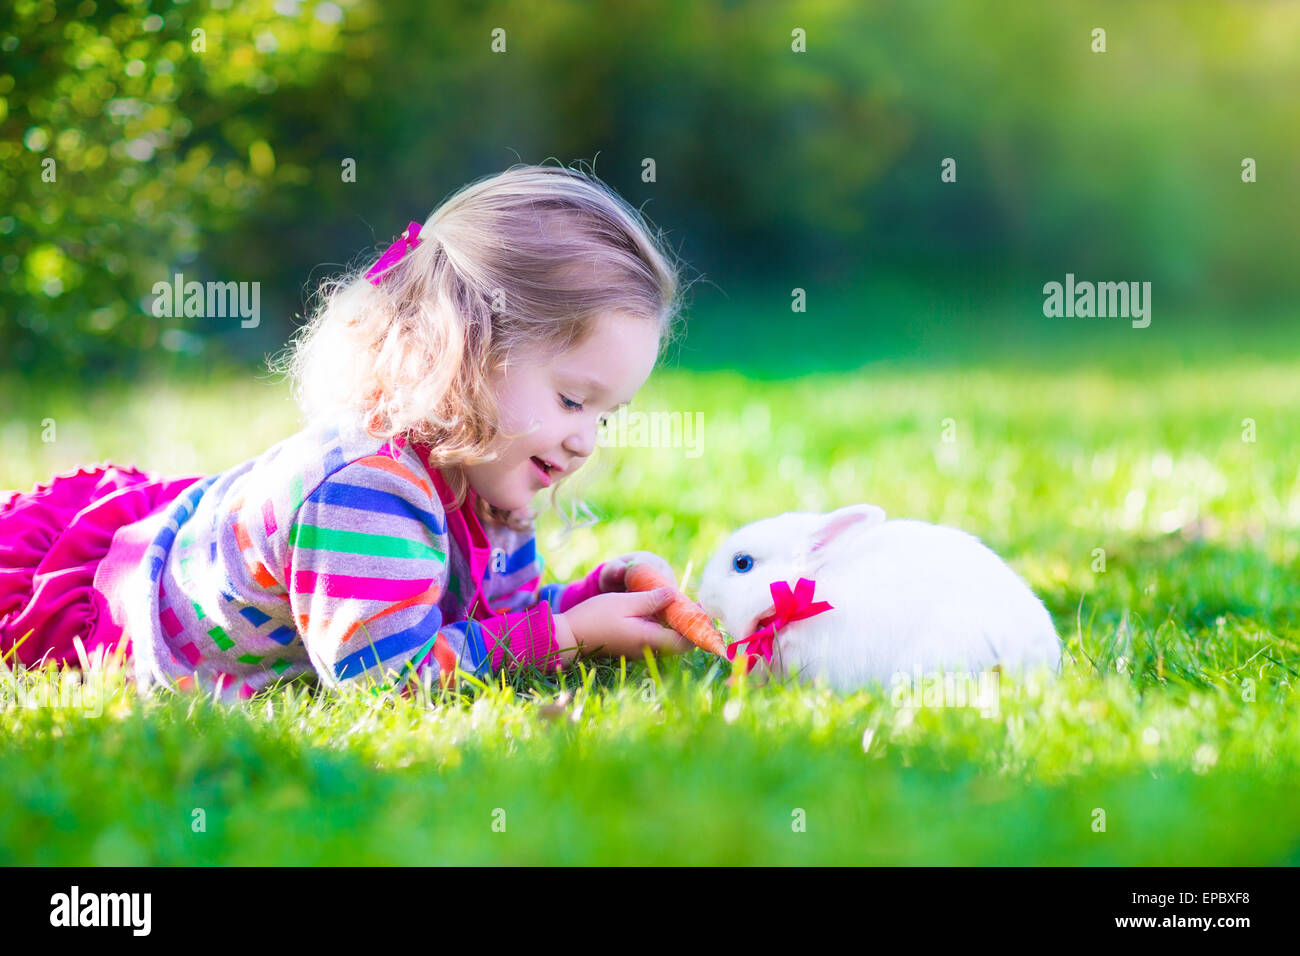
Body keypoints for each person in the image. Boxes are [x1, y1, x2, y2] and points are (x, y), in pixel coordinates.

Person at [0, 163, 695, 703]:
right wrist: (569, 635)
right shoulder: (363, 487)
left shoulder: (493, 477)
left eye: (605, 415)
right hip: (109, 611)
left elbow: (489, 624)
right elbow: (389, 682)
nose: (587, 441)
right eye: (573, 399)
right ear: (467, 349)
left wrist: (599, 598)